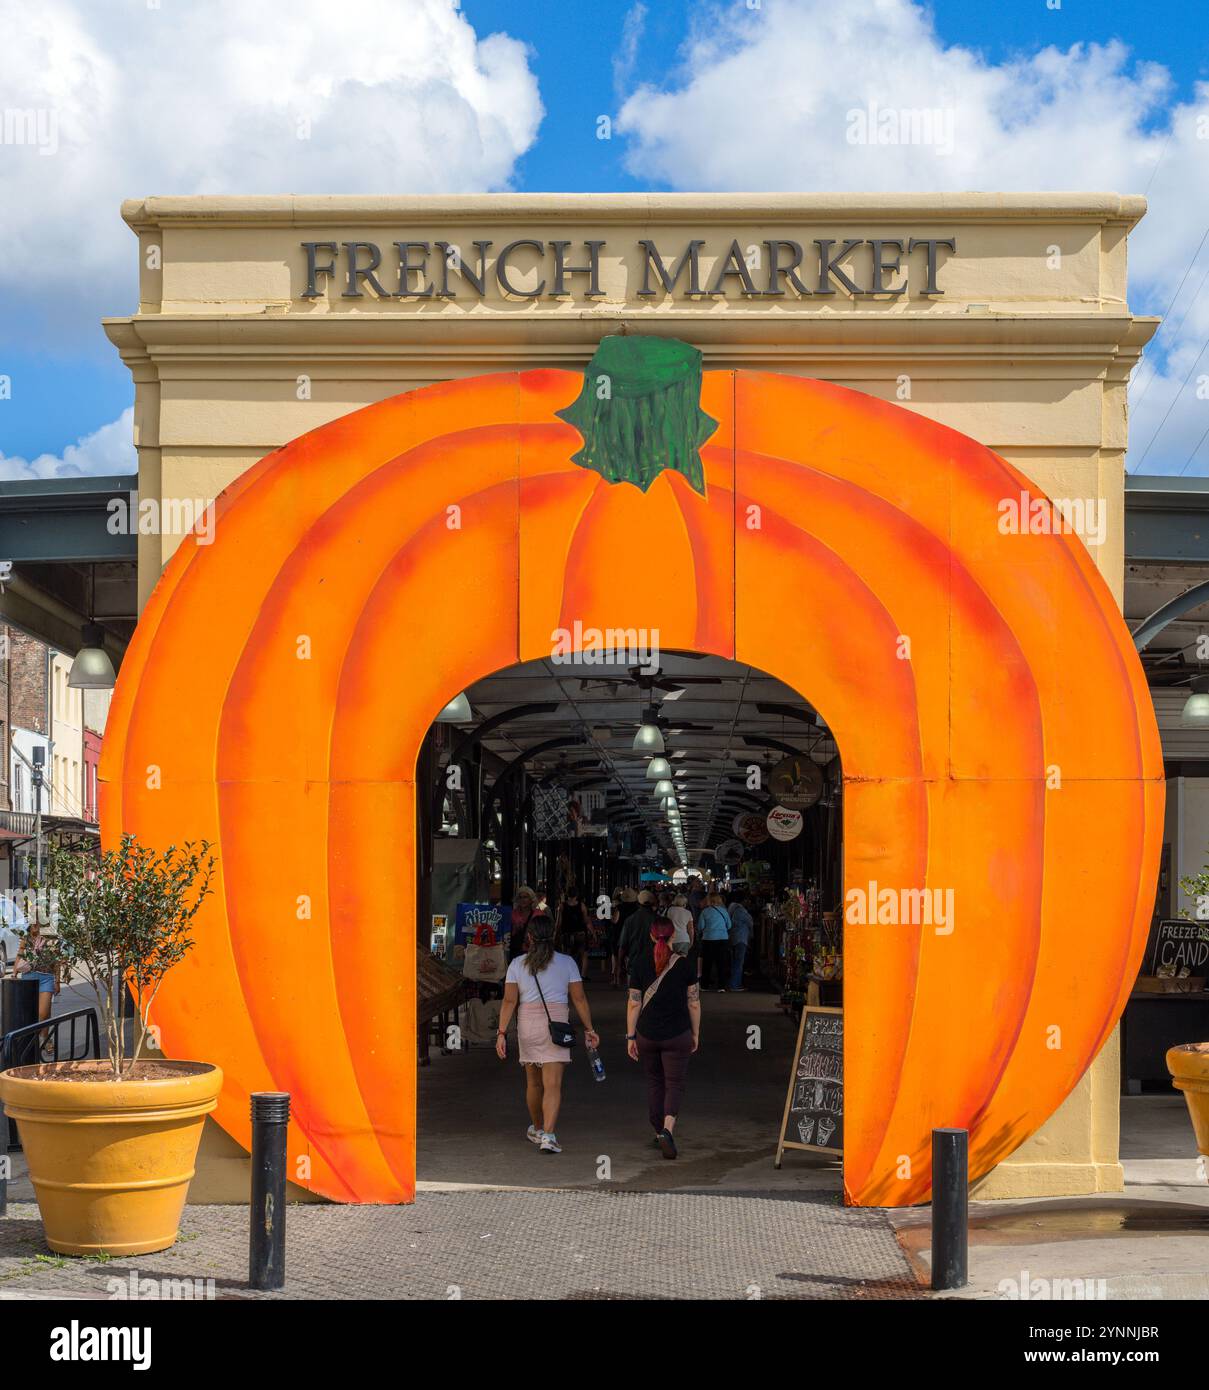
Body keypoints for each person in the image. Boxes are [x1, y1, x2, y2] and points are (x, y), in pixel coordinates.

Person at [496, 916, 599, 1154]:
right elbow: (579, 998)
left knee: (533, 1083)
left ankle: (538, 1128)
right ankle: (549, 1137)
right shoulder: (567, 963)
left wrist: (501, 1032)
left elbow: (510, 1000)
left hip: (528, 1025)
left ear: (529, 937)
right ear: (554, 935)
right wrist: (589, 1029)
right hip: (556, 1025)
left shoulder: (516, 964)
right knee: (552, 1085)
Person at [626, 917, 701, 1159]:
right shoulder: (685, 965)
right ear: (672, 937)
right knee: (674, 1083)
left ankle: (658, 1130)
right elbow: (694, 1003)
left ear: (650, 935)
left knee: (655, 1082)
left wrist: (630, 1036)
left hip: (647, 1034)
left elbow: (633, 1004)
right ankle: (667, 1130)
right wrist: (695, 1033)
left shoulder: (638, 963)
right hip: (677, 1034)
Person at [12, 922, 60, 1056]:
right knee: (33, 1012)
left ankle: (37, 1038)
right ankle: (45, 1040)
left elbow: (57, 960)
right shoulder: (26, 938)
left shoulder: (51, 938)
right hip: (28, 977)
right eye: (32, 923)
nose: (34, 926)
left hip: (47, 978)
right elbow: (20, 955)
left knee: (43, 1012)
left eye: (37, 923)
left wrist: (58, 980)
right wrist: (15, 972)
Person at [697, 893, 732, 991]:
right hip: (722, 939)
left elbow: (700, 926)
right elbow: (729, 925)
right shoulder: (724, 911)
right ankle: (721, 986)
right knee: (721, 963)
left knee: (707, 963)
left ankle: (704, 985)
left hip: (708, 939)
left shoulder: (705, 912)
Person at [618, 890, 655, 978]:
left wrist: (619, 965)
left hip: (634, 960)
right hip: (653, 961)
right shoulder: (658, 919)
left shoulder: (630, 920)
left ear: (638, 902)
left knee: (633, 989)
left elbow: (623, 945)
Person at [556, 888, 589, 979]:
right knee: (583, 954)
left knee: (566, 955)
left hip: (566, 933)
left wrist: (556, 933)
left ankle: (567, 974)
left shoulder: (562, 906)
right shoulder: (582, 906)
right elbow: (586, 920)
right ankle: (583, 975)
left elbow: (559, 922)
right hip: (580, 933)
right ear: (577, 895)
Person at [727, 892, 754, 991]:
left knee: (735, 961)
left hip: (733, 937)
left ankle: (734, 982)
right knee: (739, 962)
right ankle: (734, 984)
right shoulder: (741, 911)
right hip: (740, 938)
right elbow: (750, 922)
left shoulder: (731, 908)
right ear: (744, 900)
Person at [507, 885, 539, 961]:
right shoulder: (512, 914)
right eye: (520, 897)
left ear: (531, 899)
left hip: (532, 952)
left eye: (525, 897)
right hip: (515, 952)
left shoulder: (538, 914)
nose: (522, 900)